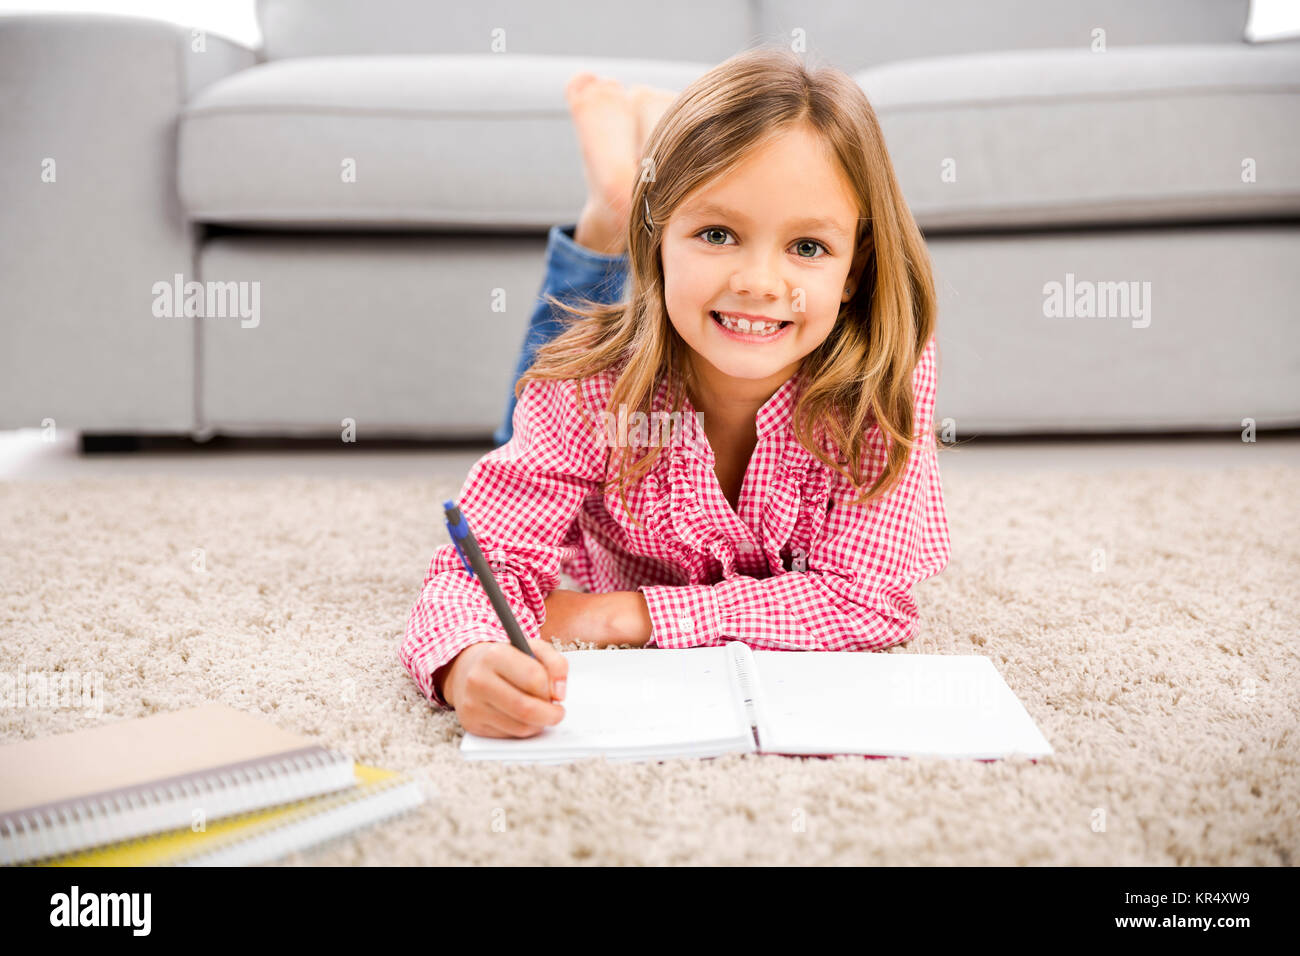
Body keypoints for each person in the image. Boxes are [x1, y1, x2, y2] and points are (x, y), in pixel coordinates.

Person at [401, 48, 952, 740]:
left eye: (807, 247)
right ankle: (613, 208)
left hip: (669, 327)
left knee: (618, 331)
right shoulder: (583, 389)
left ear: (853, 270)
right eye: (717, 233)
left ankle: (633, 185)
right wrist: (465, 662)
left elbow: (869, 604)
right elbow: (480, 564)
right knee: (559, 345)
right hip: (626, 357)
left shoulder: (884, 373)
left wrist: (619, 614)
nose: (759, 281)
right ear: (658, 240)